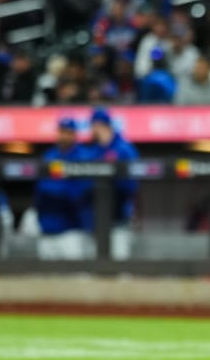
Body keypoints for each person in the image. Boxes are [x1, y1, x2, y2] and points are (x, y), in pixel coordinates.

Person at [33, 117, 96, 260]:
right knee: (46, 279)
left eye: (68, 132)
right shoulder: (50, 156)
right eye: (61, 131)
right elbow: (41, 188)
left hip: (73, 231)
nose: (64, 136)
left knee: (78, 278)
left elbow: (78, 192)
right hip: (47, 230)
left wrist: (58, 185)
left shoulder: (84, 156)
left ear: (75, 134)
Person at [88, 108, 138, 260]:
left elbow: (132, 184)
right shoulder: (94, 150)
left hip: (120, 215)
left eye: (94, 125)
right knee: (98, 264)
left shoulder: (124, 149)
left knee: (120, 261)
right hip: (97, 217)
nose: (92, 130)